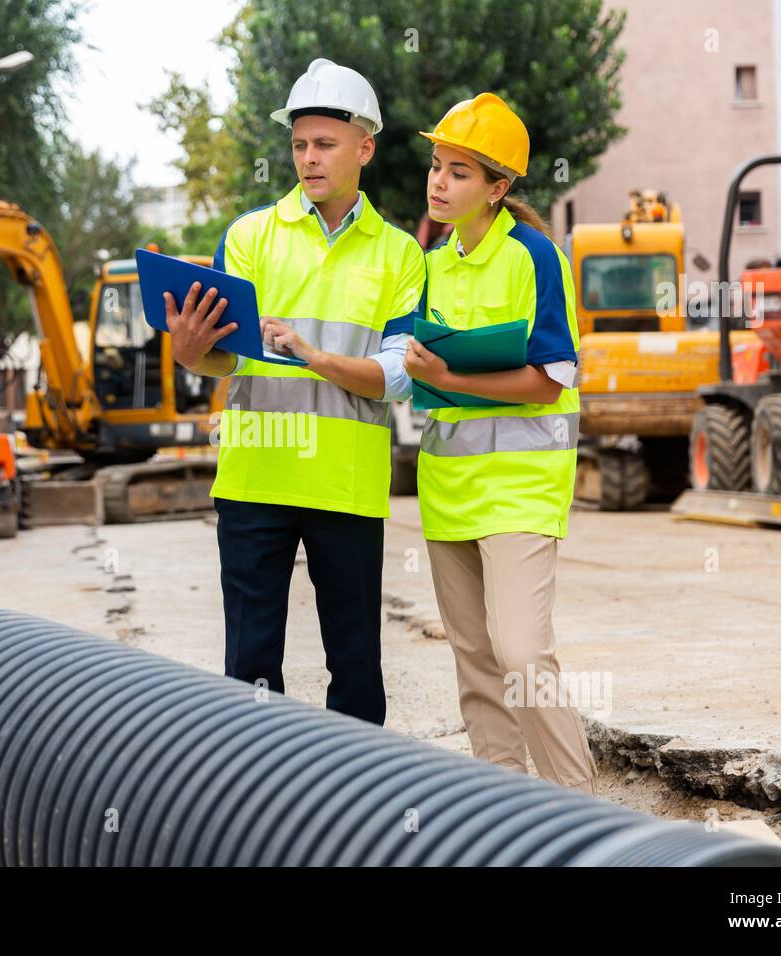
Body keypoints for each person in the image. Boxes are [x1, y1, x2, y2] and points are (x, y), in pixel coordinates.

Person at [164, 58, 425, 725]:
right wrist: (192, 353)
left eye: (325, 145)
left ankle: (358, 809)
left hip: (347, 483)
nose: (308, 158)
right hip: (256, 477)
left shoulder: (400, 255)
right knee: (248, 669)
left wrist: (314, 356)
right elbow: (228, 358)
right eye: (300, 144)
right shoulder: (249, 237)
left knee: (356, 665)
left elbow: (398, 375)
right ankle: (257, 810)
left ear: (364, 148)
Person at [403, 93, 599, 793]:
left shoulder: (533, 255)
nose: (438, 183)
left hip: (521, 485)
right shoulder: (431, 262)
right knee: (476, 661)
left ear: (499, 188)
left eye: (460, 172)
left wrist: (449, 373)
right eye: (436, 166)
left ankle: (583, 812)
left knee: (521, 654)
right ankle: (505, 810)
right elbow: (419, 374)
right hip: (448, 487)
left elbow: (551, 381)